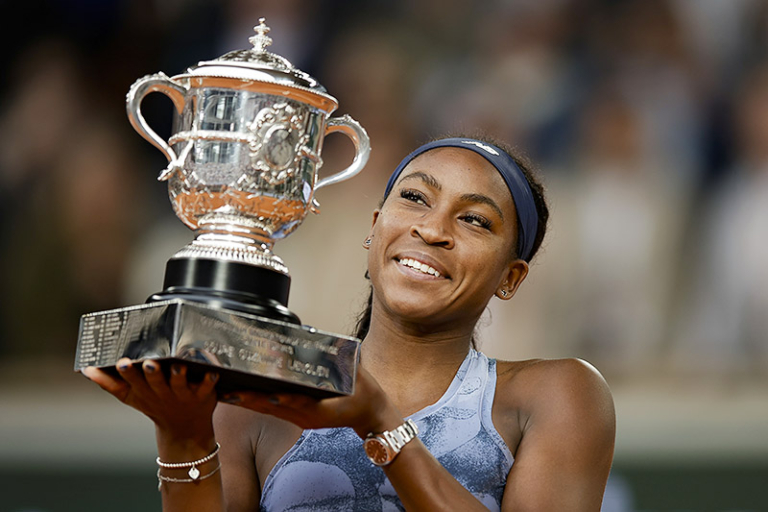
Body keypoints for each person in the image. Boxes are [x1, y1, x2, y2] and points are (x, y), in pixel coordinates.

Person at [83, 135, 616, 511]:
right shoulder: (255, 401)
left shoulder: (558, 394)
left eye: (474, 220)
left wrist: (380, 421)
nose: (432, 229)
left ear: (511, 277)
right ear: (375, 228)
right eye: (414, 198)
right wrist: (182, 438)